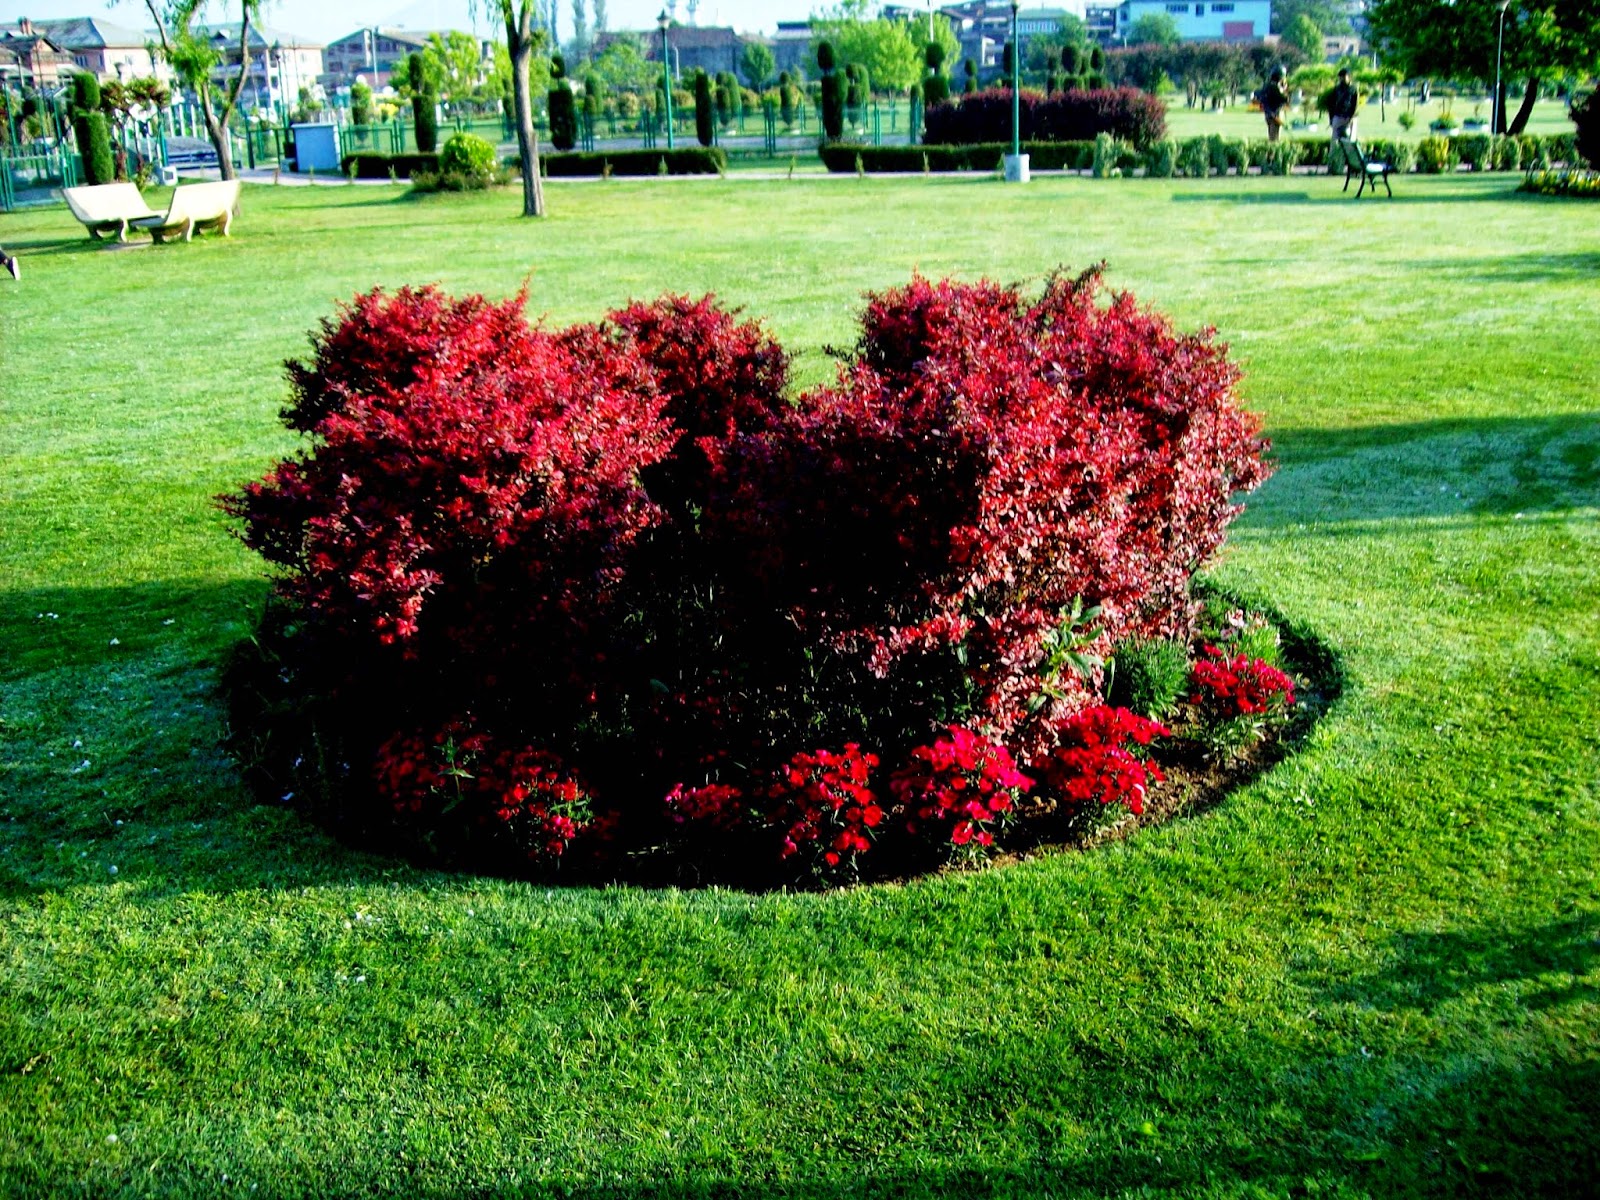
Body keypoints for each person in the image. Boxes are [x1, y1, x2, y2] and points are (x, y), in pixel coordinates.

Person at [1258, 68, 1290, 144]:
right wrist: (1284, 88)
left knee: (1271, 137)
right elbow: (1285, 99)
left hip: (1268, 115)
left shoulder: (1267, 86)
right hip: (1276, 115)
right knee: (1275, 140)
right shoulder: (1276, 87)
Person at [1328, 68, 1359, 141]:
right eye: (1340, 77)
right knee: (1335, 140)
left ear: (1348, 77)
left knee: (1351, 140)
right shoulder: (1337, 89)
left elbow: (1355, 104)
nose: (1342, 79)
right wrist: (1331, 118)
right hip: (1338, 116)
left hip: (1350, 117)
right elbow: (1331, 104)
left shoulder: (1353, 89)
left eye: (1344, 77)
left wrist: (1352, 117)